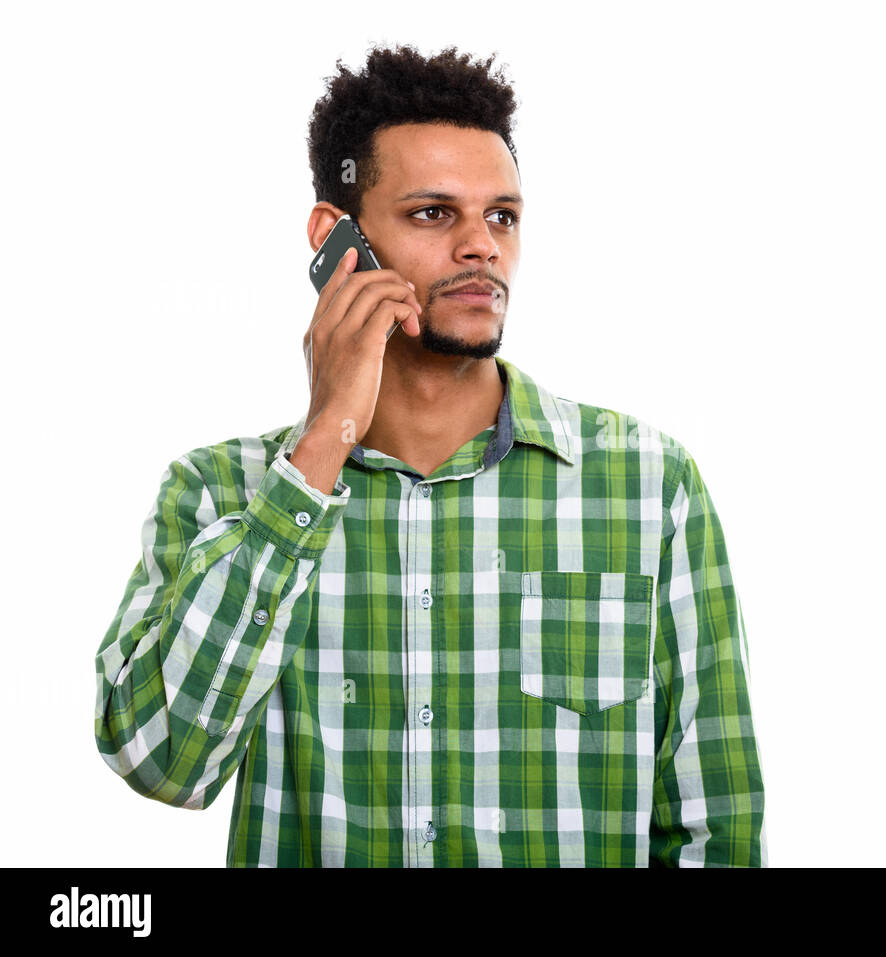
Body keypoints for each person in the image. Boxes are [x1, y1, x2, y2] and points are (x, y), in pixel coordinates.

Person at [93, 43, 767, 867]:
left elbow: (714, 825)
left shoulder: (647, 484)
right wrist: (320, 446)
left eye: (503, 216)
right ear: (335, 239)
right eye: (433, 213)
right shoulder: (219, 492)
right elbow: (162, 762)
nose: (482, 246)